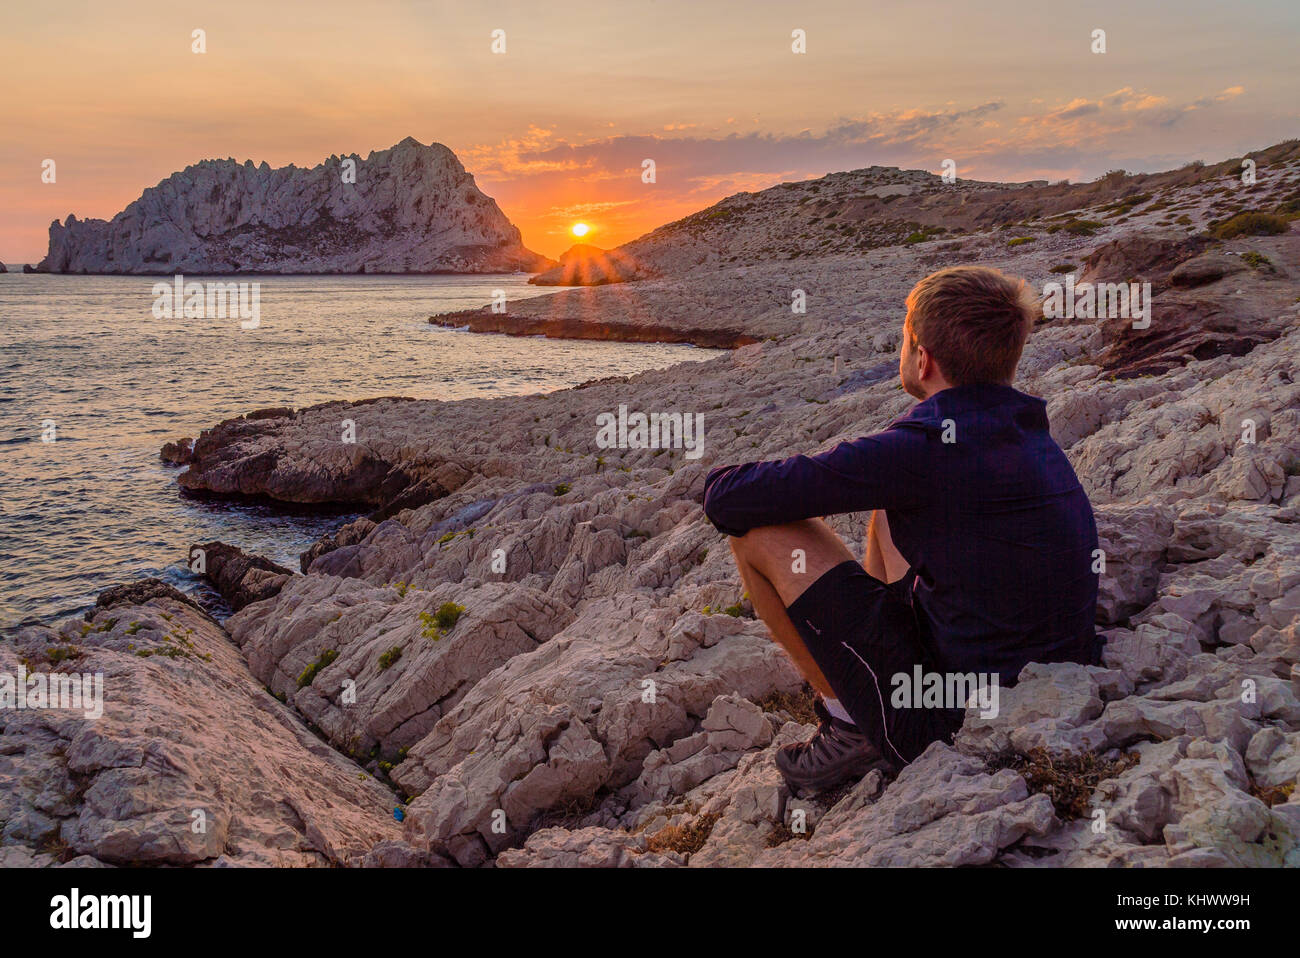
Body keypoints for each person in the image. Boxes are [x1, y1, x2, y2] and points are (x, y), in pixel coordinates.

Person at [703, 266, 1100, 792]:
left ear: (923, 357)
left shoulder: (925, 449)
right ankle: (870, 679)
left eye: (906, 336)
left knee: (757, 536)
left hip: (950, 719)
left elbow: (730, 500)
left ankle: (851, 724)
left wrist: (719, 478)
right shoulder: (1024, 426)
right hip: (1037, 673)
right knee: (889, 509)